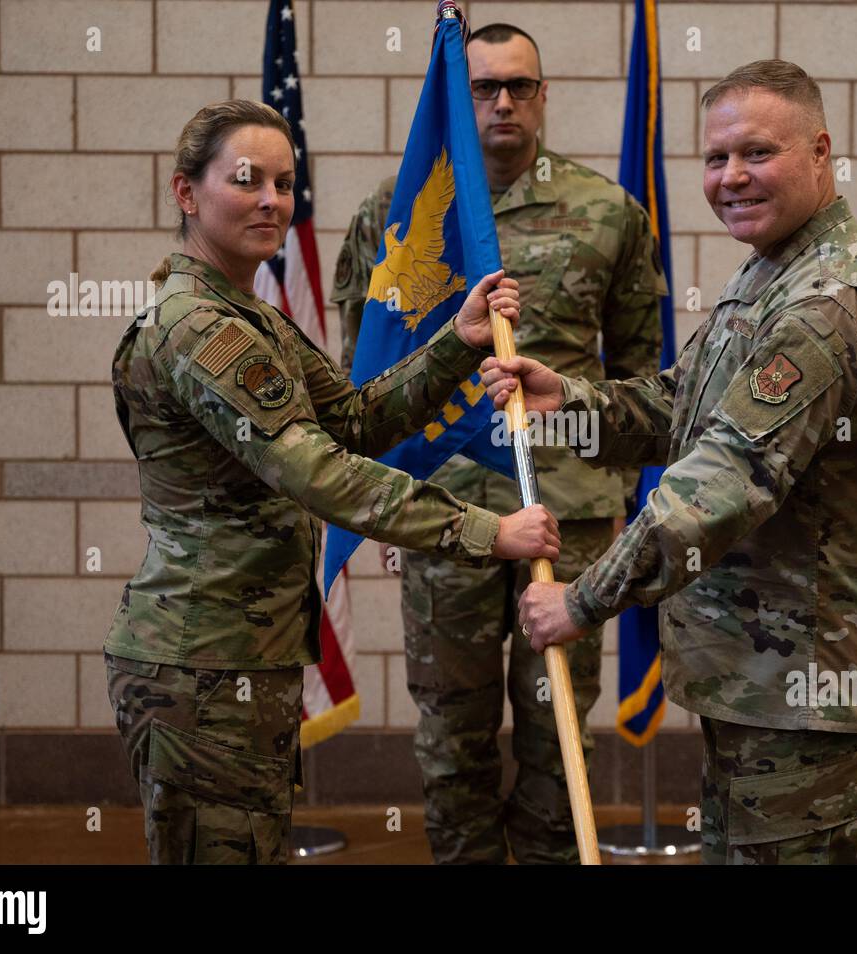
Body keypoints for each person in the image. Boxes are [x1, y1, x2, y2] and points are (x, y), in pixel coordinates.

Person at [484, 60, 857, 865]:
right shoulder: (769, 276)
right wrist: (570, 401)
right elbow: (682, 408)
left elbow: (721, 480)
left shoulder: (826, 306)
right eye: (717, 158)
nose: (731, 178)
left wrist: (583, 600)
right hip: (758, 677)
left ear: (821, 152)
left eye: (757, 154)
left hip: (807, 691)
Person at [103, 99, 559, 865]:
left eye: (285, 183)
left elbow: (350, 420)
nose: (272, 201)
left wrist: (458, 342)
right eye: (247, 181)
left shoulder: (250, 316)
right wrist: (486, 532)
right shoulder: (201, 328)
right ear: (187, 193)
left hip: (244, 655)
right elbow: (315, 470)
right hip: (203, 662)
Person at [331, 23, 665, 864]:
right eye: (484, 87)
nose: (504, 102)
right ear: (459, 96)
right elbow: (363, 376)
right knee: (452, 731)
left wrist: (622, 497)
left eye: (521, 85)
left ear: (544, 95)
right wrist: (381, 500)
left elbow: (640, 376)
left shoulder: (607, 213)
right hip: (442, 510)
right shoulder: (395, 213)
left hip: (570, 512)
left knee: (558, 731)